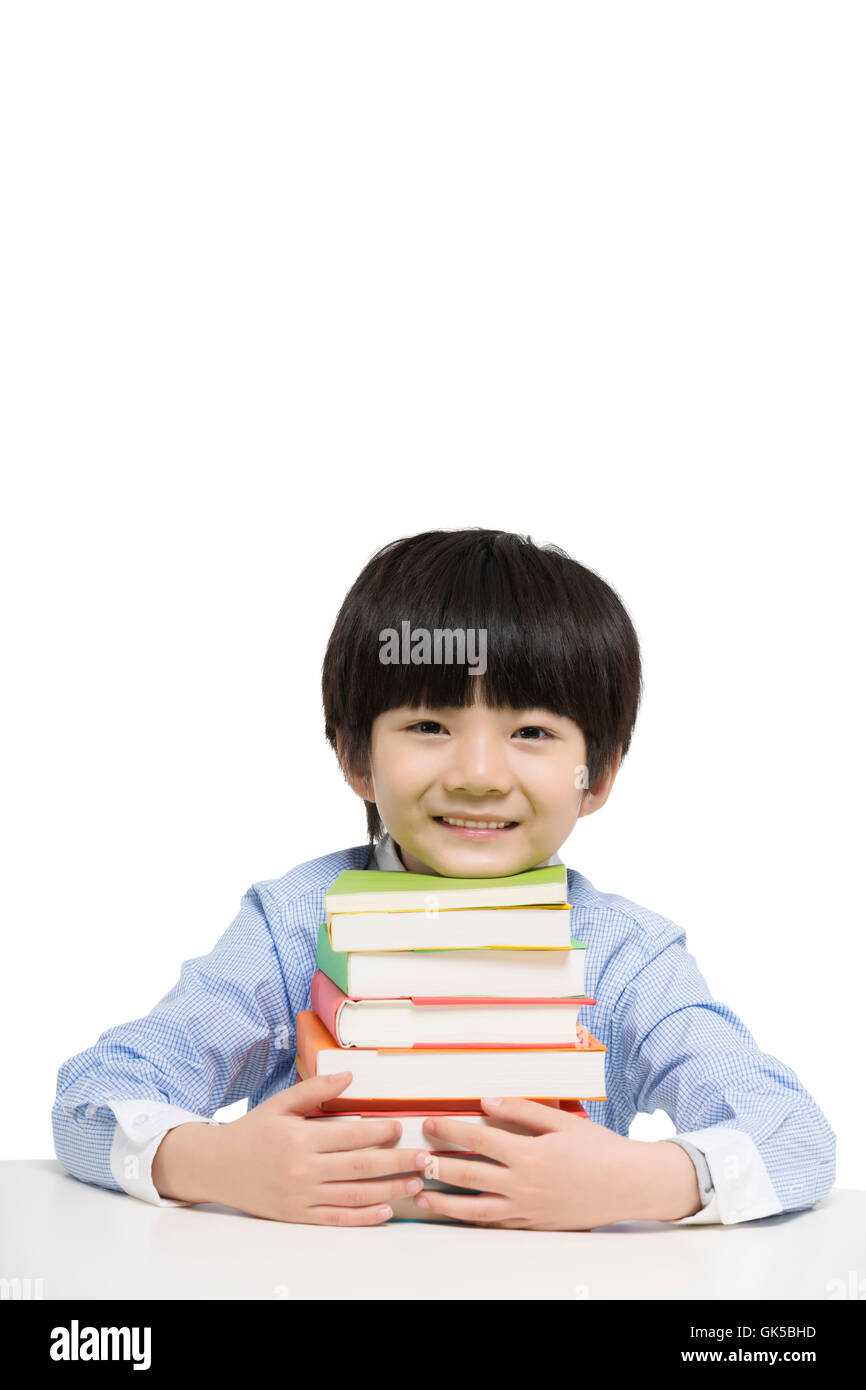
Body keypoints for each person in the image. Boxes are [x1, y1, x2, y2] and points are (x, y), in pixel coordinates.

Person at [52, 528, 836, 1230]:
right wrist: (212, 1163)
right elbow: (96, 1093)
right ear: (356, 756)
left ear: (596, 776)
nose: (478, 775)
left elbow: (791, 1132)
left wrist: (651, 1180)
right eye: (428, 726)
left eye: (531, 732)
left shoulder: (626, 954)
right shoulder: (292, 923)